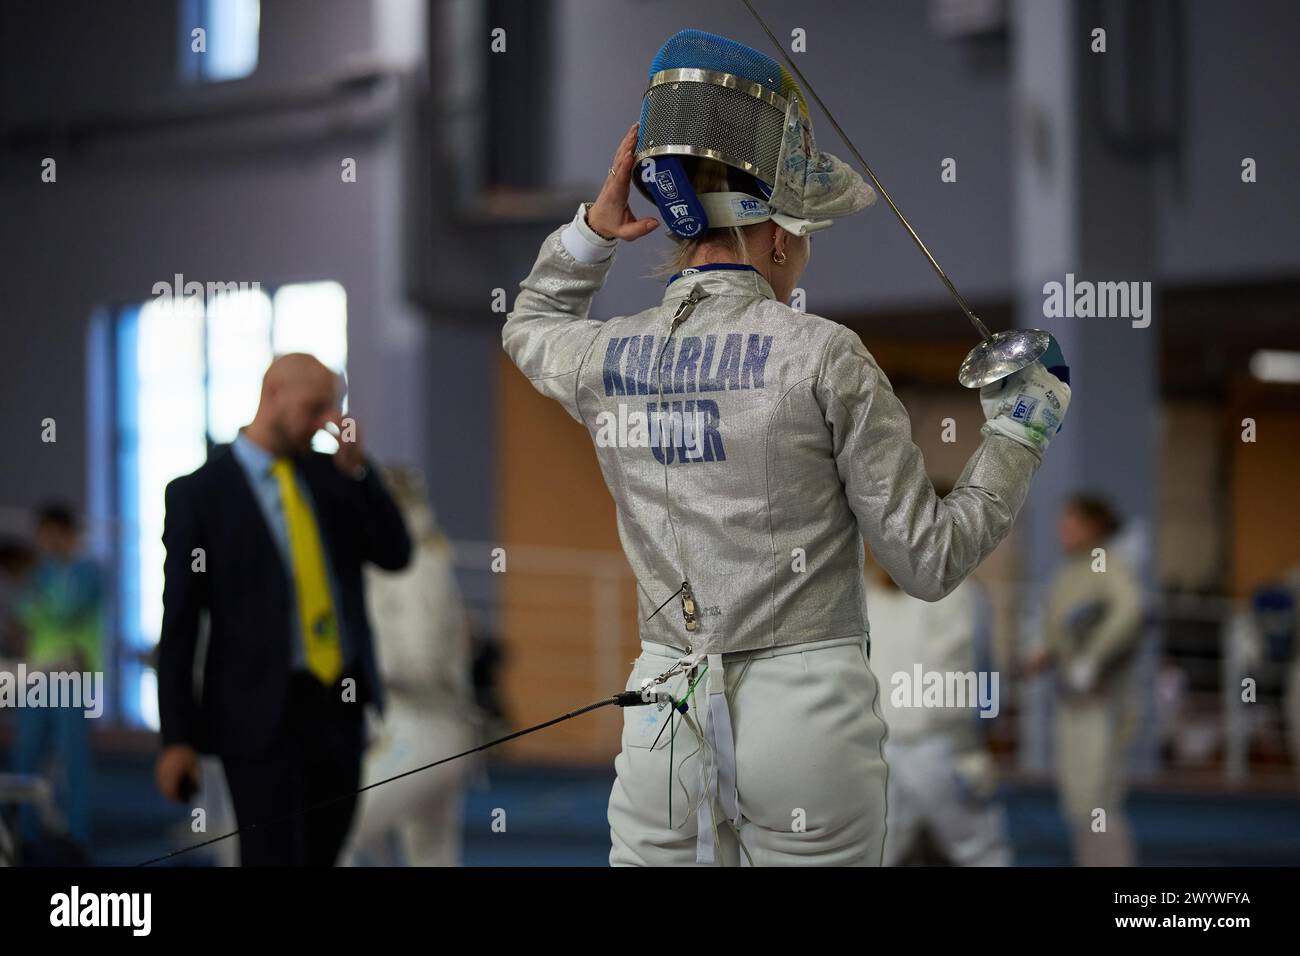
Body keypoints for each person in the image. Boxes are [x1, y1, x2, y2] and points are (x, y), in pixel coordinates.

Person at [503, 29, 1072, 866]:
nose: (803, 257)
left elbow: (528, 325)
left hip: (662, 714)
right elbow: (928, 560)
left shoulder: (606, 355)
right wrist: (1020, 431)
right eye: (803, 237)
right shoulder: (822, 353)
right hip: (805, 714)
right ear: (772, 234)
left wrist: (592, 229)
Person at [154, 353, 411, 866]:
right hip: (257, 717)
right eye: (316, 408)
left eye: (332, 410)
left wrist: (361, 471)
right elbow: (180, 622)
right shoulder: (199, 494)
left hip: (339, 705)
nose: (325, 423)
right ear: (272, 393)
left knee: (324, 856)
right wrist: (176, 738)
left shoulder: (331, 475)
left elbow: (394, 552)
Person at [343, 465, 475, 867]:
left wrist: (354, 668)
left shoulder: (410, 563)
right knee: (432, 858)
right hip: (433, 730)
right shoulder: (420, 556)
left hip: (421, 731)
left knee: (338, 828)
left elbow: (421, 661)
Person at [866, 557, 1013, 866]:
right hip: (940, 746)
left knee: (880, 852)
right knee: (980, 850)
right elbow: (985, 671)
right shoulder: (964, 593)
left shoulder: (865, 596)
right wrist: (986, 732)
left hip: (886, 745)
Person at [1025, 493, 1143, 866]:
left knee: (1097, 800)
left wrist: (1093, 658)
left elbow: (1130, 611)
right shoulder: (1068, 572)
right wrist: (1045, 653)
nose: (1063, 529)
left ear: (1093, 527)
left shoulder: (1103, 563)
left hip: (1103, 703)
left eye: (1071, 522)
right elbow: (1060, 632)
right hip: (1071, 703)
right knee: (1078, 802)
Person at [11, 504, 105, 853]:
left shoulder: (89, 571)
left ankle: (78, 840)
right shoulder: (41, 574)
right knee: (25, 757)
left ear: (68, 533)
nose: (45, 541)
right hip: (37, 678)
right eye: (41, 534)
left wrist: (32, 593)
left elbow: (65, 611)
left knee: (73, 761)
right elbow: (22, 620)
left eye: (51, 533)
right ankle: (26, 837)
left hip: (73, 678)